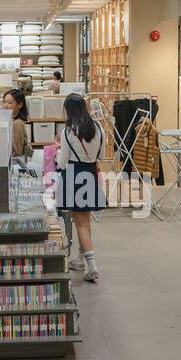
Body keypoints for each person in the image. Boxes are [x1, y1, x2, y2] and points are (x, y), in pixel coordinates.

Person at [56, 93, 105, 282]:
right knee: (85, 221)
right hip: (90, 173)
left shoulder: (68, 131)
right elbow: (101, 156)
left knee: (80, 222)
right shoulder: (98, 127)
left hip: (74, 175)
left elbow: (63, 161)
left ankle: (92, 267)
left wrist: (58, 155)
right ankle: (80, 260)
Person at [3, 88, 33, 159]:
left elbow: (17, 152)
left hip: (19, 163)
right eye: (4, 102)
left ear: (20, 105)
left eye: (10, 103)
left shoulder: (17, 123)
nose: (6, 106)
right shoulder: (13, 120)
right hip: (23, 159)